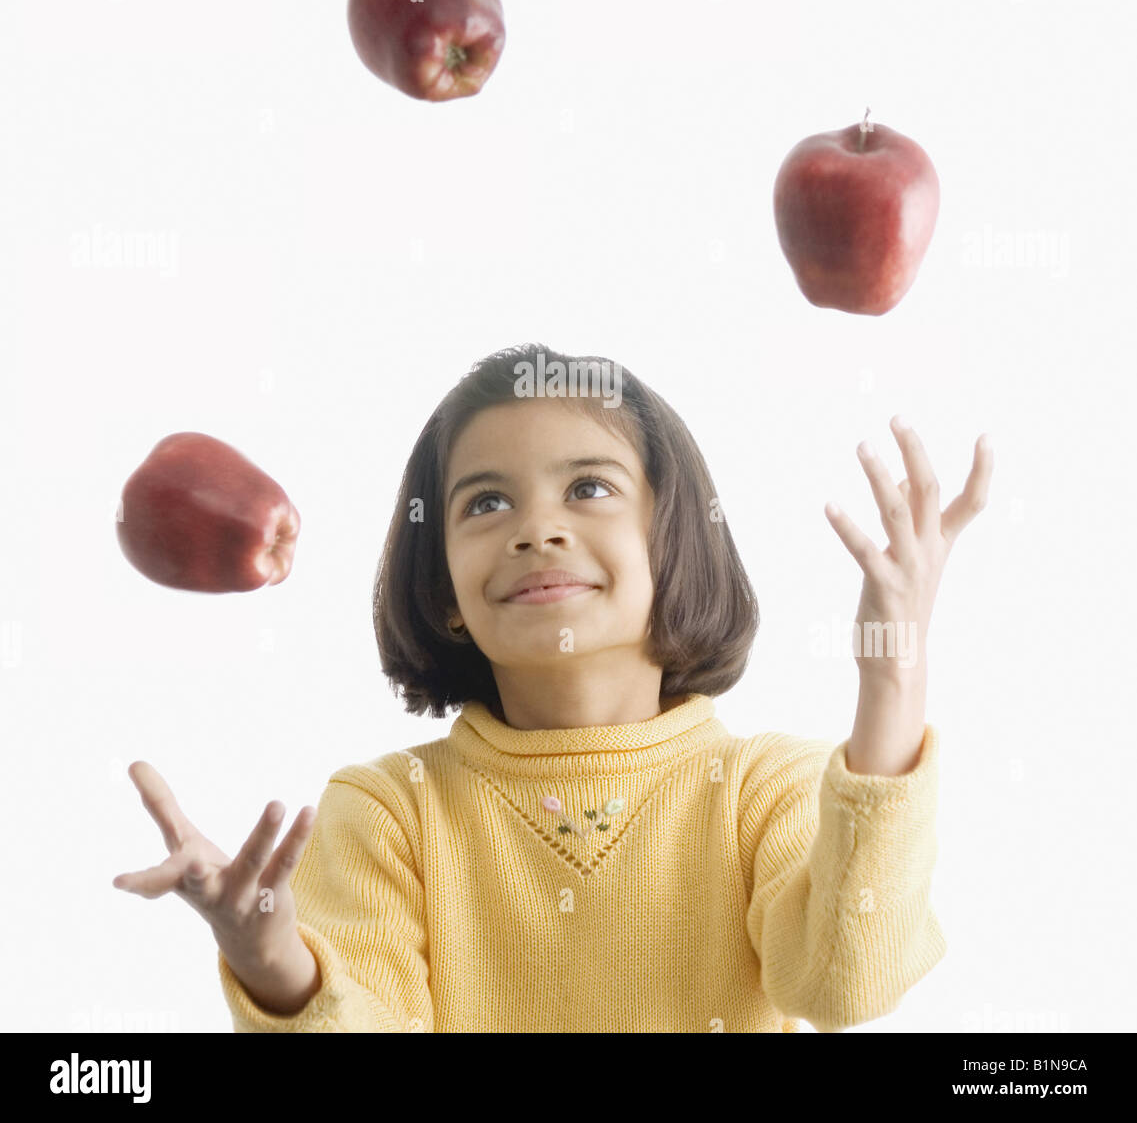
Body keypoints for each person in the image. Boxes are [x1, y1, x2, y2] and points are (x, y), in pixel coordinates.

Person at [114, 342, 993, 1032]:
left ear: (670, 541)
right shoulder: (390, 809)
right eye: (485, 504)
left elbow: (846, 982)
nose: (537, 529)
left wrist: (891, 676)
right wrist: (274, 965)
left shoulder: (766, 790)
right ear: (446, 589)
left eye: (587, 488)